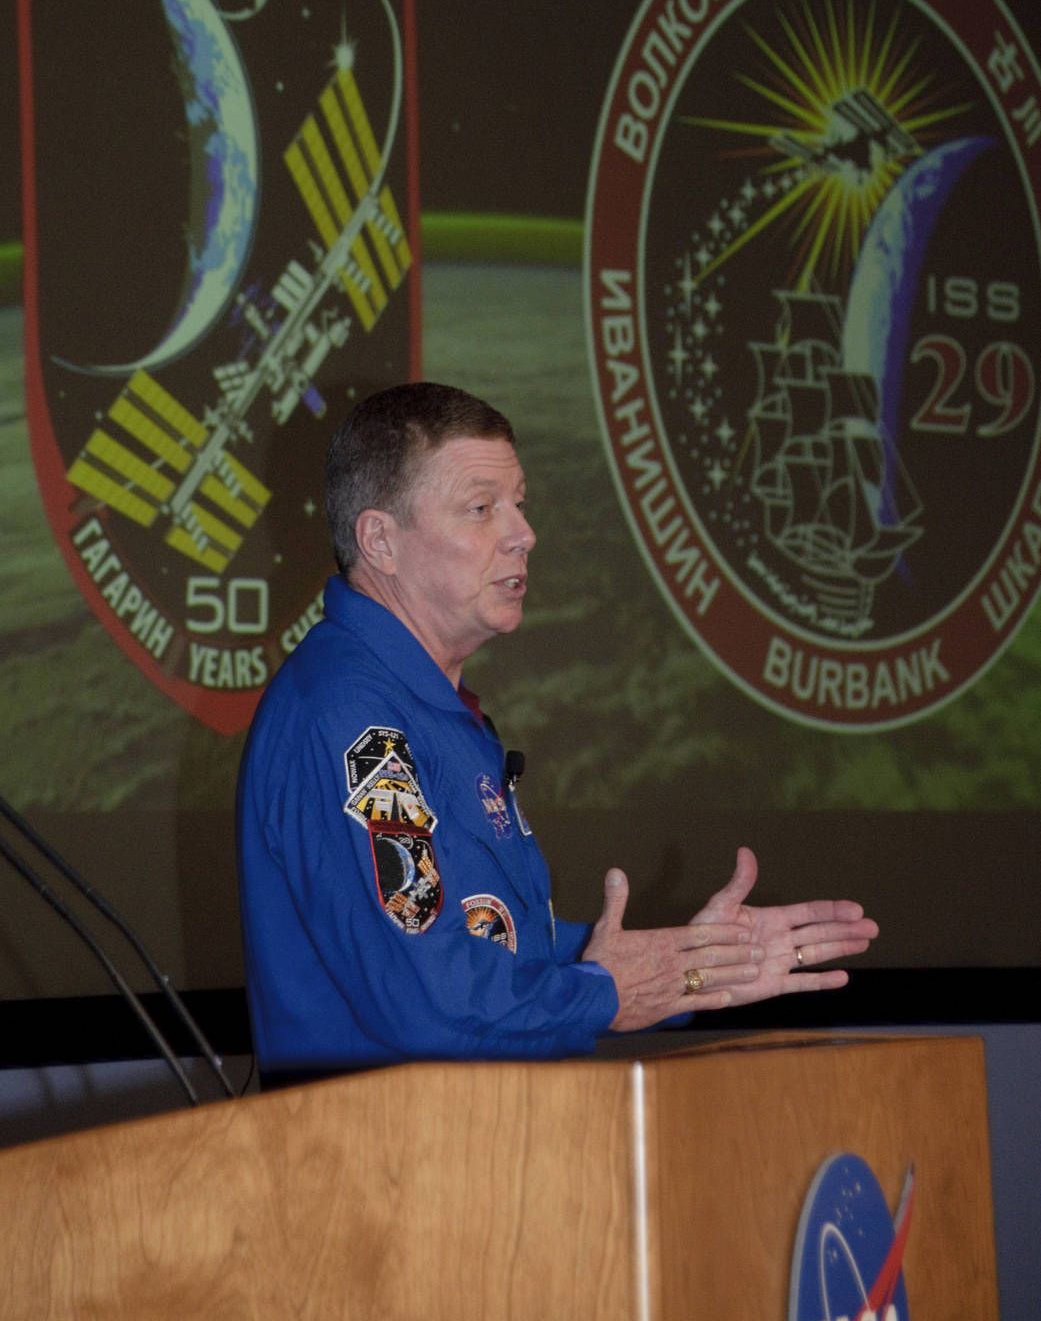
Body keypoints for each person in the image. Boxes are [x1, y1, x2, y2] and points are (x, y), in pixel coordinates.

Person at [236, 382, 878, 1082]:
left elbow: (499, 949)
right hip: (393, 1174)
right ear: (381, 541)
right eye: (481, 509)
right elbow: (429, 994)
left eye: (519, 504)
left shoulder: (427, 709)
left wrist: (687, 965)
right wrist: (605, 994)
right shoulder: (349, 715)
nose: (522, 533)